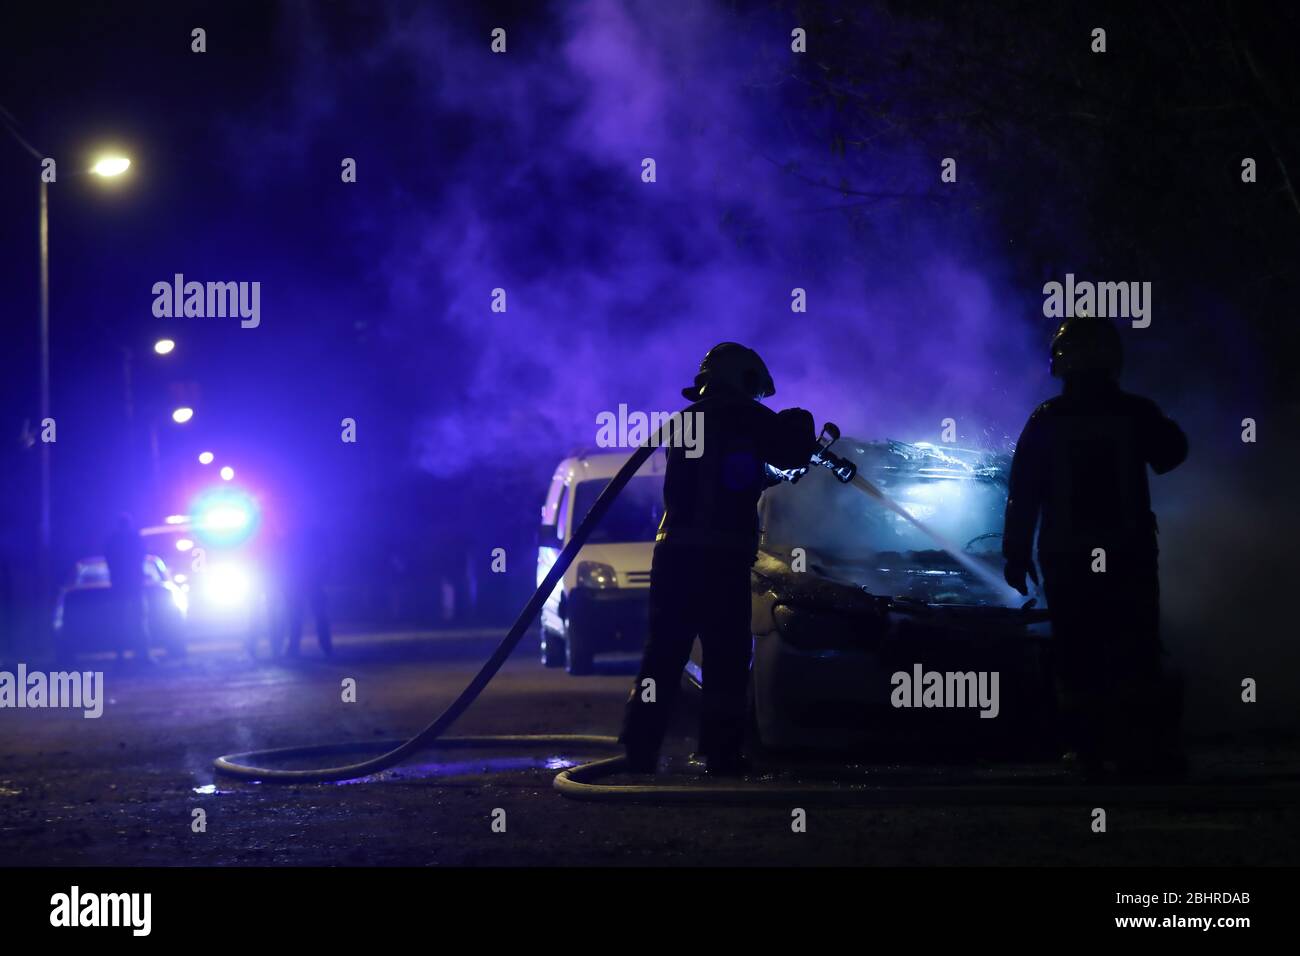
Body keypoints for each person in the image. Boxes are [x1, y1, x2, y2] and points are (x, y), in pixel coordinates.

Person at [621, 343, 819, 775]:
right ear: (744, 379)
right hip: (719, 560)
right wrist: (802, 425)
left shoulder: (686, 421)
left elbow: (727, 474)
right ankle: (722, 754)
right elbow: (788, 450)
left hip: (673, 558)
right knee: (727, 656)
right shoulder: (746, 417)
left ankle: (639, 749)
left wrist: (764, 476)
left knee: (663, 655)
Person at [1002, 317, 1187, 778]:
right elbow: (1172, 454)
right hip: (1129, 553)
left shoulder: (1047, 420)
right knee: (1135, 648)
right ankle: (1140, 749)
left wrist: (1016, 554)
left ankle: (1087, 749)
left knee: (1077, 651)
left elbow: (1022, 493)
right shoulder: (1133, 412)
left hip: (1066, 556)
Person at [104, 514, 151, 664]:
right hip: (132, 584)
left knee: (120, 621)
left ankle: (121, 656)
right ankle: (142, 654)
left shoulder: (114, 541)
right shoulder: (134, 539)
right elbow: (141, 557)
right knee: (138, 620)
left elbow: (109, 559)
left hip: (120, 584)